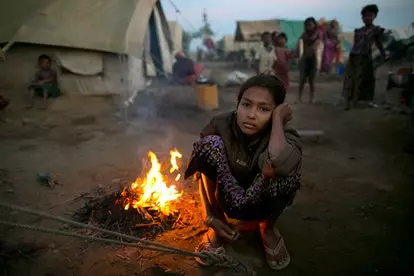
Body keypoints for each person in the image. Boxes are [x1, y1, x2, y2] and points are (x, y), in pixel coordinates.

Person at [184, 74, 302, 270]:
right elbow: (204, 172)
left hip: (263, 200)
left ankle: (268, 227)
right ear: (238, 105)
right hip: (229, 196)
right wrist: (209, 215)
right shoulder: (222, 124)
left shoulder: (283, 135)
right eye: (246, 105)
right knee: (208, 146)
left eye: (263, 109)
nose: (251, 115)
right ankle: (218, 221)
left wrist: (279, 120)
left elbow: (278, 160)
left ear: (275, 113)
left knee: (285, 169)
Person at [342, 4, 387, 110]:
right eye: (365, 16)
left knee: (363, 80)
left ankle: (358, 101)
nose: (367, 18)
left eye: (370, 15)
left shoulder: (376, 30)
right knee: (350, 79)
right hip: (354, 56)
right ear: (362, 18)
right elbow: (355, 45)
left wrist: (384, 55)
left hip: (365, 57)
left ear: (374, 16)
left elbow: (379, 43)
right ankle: (348, 101)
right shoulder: (358, 31)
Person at [297, 17, 322, 104]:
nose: (308, 27)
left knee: (312, 80)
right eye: (306, 25)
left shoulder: (317, 35)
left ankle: (312, 98)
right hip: (304, 59)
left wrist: (310, 49)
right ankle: (299, 98)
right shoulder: (303, 35)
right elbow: (299, 47)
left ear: (314, 25)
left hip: (313, 59)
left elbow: (316, 45)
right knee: (302, 80)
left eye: (310, 25)